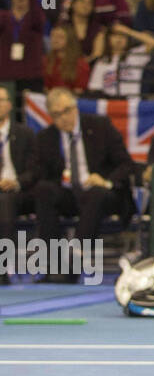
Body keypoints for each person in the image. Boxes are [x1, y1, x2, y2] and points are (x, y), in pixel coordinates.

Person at [33, 87, 134, 282]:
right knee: (44, 190)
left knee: (95, 193)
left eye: (67, 111)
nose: (63, 118)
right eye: (56, 114)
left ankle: (74, 263)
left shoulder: (100, 126)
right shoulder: (46, 138)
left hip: (103, 193)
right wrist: (59, 179)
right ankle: (53, 264)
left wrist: (106, 181)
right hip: (70, 193)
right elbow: (40, 174)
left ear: (75, 108)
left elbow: (125, 164)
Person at [0, 88, 37, 284]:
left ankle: (2, 268)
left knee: (4, 201)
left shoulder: (25, 134)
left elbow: (34, 170)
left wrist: (16, 182)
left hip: (20, 193)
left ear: (9, 105)